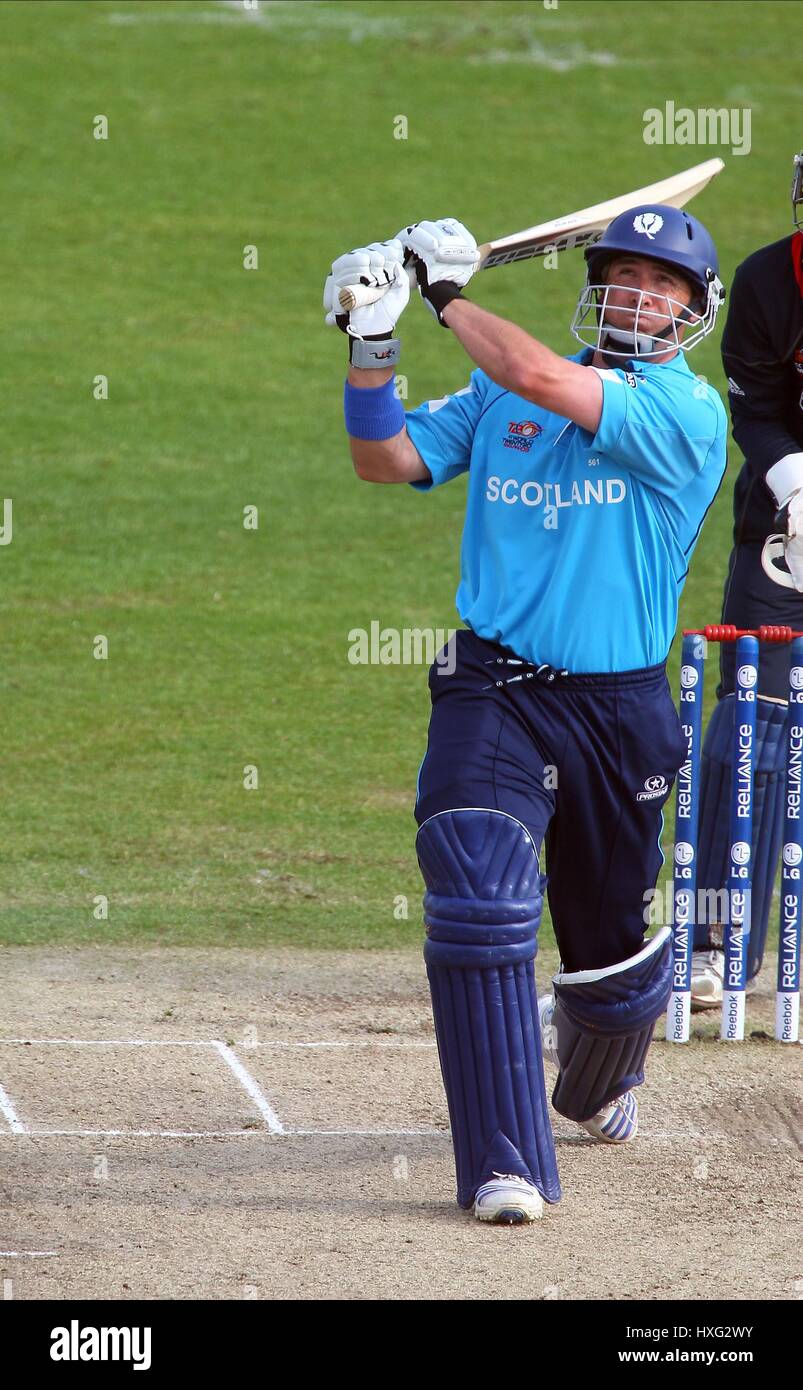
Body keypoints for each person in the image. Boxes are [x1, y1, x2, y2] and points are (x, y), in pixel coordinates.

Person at [324, 203, 727, 1224]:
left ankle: (596, 1077)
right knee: (473, 886)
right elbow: (387, 459)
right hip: (492, 685)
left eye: (660, 284)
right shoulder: (499, 395)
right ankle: (503, 1162)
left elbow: (545, 378)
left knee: (608, 963)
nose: (636, 295)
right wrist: (373, 348)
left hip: (617, 710)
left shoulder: (685, 416)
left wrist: (447, 295)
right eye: (621, 274)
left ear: (692, 311)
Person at [691, 152, 803, 1009]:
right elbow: (756, 410)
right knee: (754, 726)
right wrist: (795, 485)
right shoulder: (769, 280)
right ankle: (716, 941)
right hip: (784, 524)